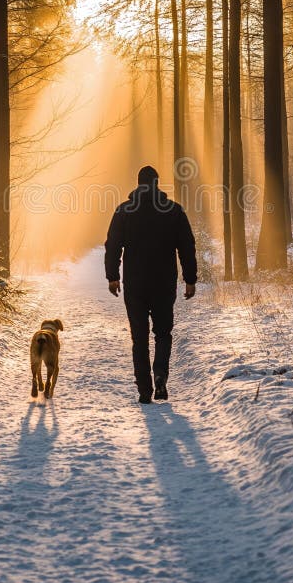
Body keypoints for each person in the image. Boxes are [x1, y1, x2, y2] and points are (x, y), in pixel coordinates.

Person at [104, 165, 197, 404]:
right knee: (163, 333)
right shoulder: (173, 211)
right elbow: (187, 246)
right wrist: (190, 279)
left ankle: (144, 389)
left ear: (138, 184)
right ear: (157, 183)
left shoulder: (124, 211)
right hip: (164, 283)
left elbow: (113, 245)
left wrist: (112, 276)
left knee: (139, 338)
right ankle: (161, 374)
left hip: (135, 283)